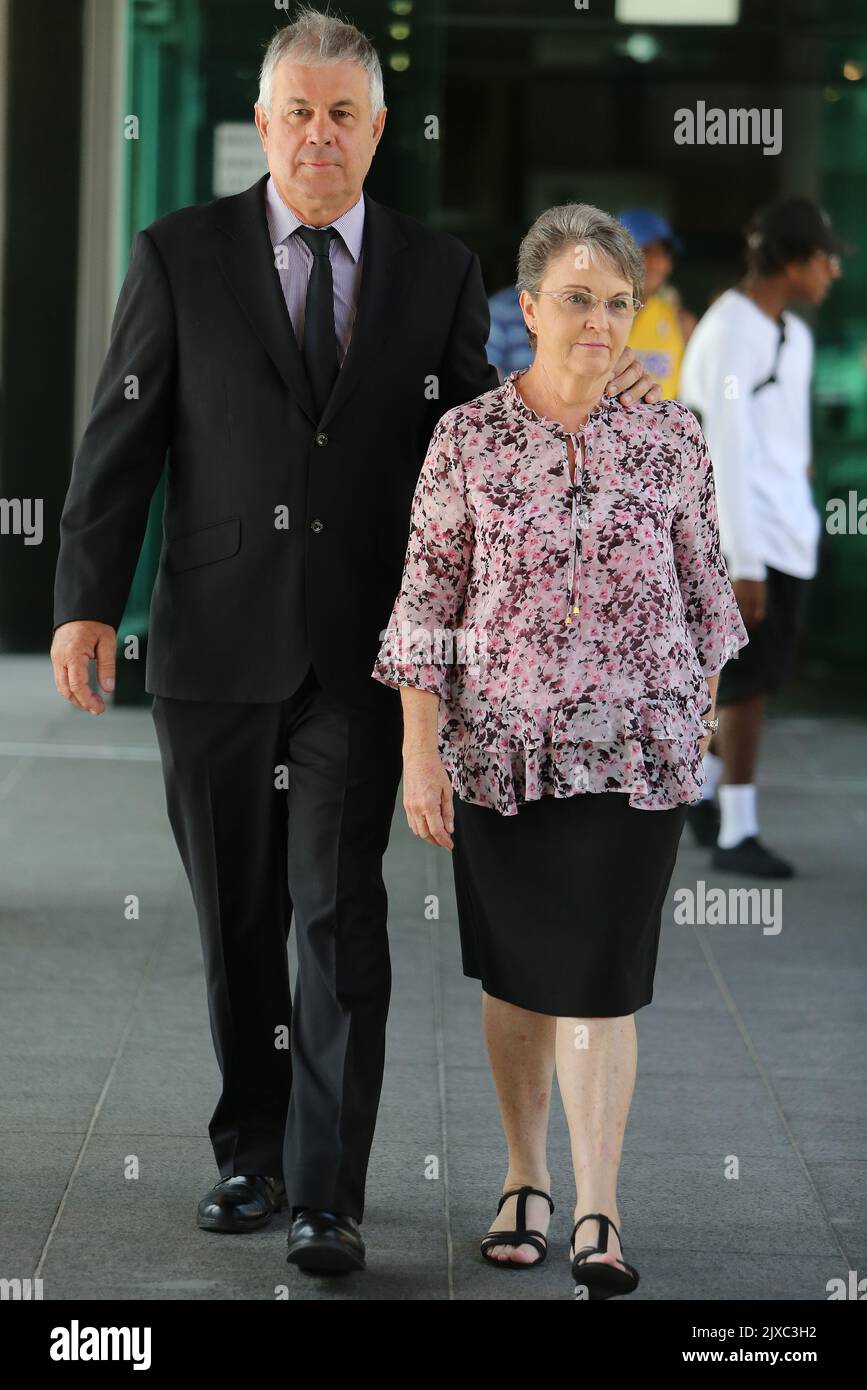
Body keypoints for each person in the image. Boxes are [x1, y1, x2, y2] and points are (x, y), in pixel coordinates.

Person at [49, 8, 661, 1277]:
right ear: (264, 125)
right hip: (215, 644)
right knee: (237, 914)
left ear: (378, 128)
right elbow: (124, 438)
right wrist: (87, 597)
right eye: (297, 112)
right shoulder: (177, 256)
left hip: (371, 652)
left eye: (343, 113)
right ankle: (250, 1155)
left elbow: (491, 429)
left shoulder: (436, 270)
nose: (319, 135)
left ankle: (329, 1192)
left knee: (338, 915)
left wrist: (600, 380)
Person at [372, 203, 748, 1298]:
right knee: (519, 977)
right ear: (526, 308)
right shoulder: (469, 440)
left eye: (617, 301)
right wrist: (421, 753)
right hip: (505, 757)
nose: (598, 320)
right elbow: (425, 607)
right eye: (576, 298)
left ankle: (598, 1209)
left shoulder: (671, 436)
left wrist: (691, 719)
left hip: (637, 761)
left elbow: (708, 600)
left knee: (600, 981)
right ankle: (524, 1177)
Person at [679, 196, 846, 877]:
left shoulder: (792, 335)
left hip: (785, 533)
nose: (832, 273)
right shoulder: (728, 330)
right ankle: (735, 833)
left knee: (756, 679)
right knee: (744, 687)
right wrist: (738, 560)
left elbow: (784, 448)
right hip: (746, 543)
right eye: (826, 259)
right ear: (796, 260)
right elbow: (723, 452)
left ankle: (698, 794)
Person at [616, 208, 696, 400]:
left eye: (663, 253)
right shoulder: (591, 316)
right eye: (645, 251)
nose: (655, 262)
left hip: (662, 429)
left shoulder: (681, 322)